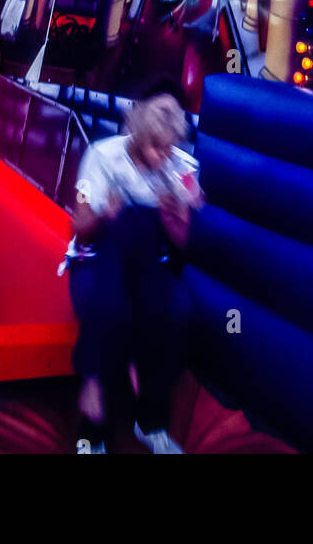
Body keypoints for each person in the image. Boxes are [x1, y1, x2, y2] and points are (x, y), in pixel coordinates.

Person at [62, 93, 203, 455]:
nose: (164, 156)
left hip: (148, 267)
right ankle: (91, 434)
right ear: (138, 138)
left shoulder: (180, 167)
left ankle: (150, 422)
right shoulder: (103, 157)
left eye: (169, 147)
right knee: (115, 310)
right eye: (157, 147)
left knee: (178, 312)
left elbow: (183, 245)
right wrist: (106, 214)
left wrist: (179, 222)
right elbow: (80, 229)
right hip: (96, 259)